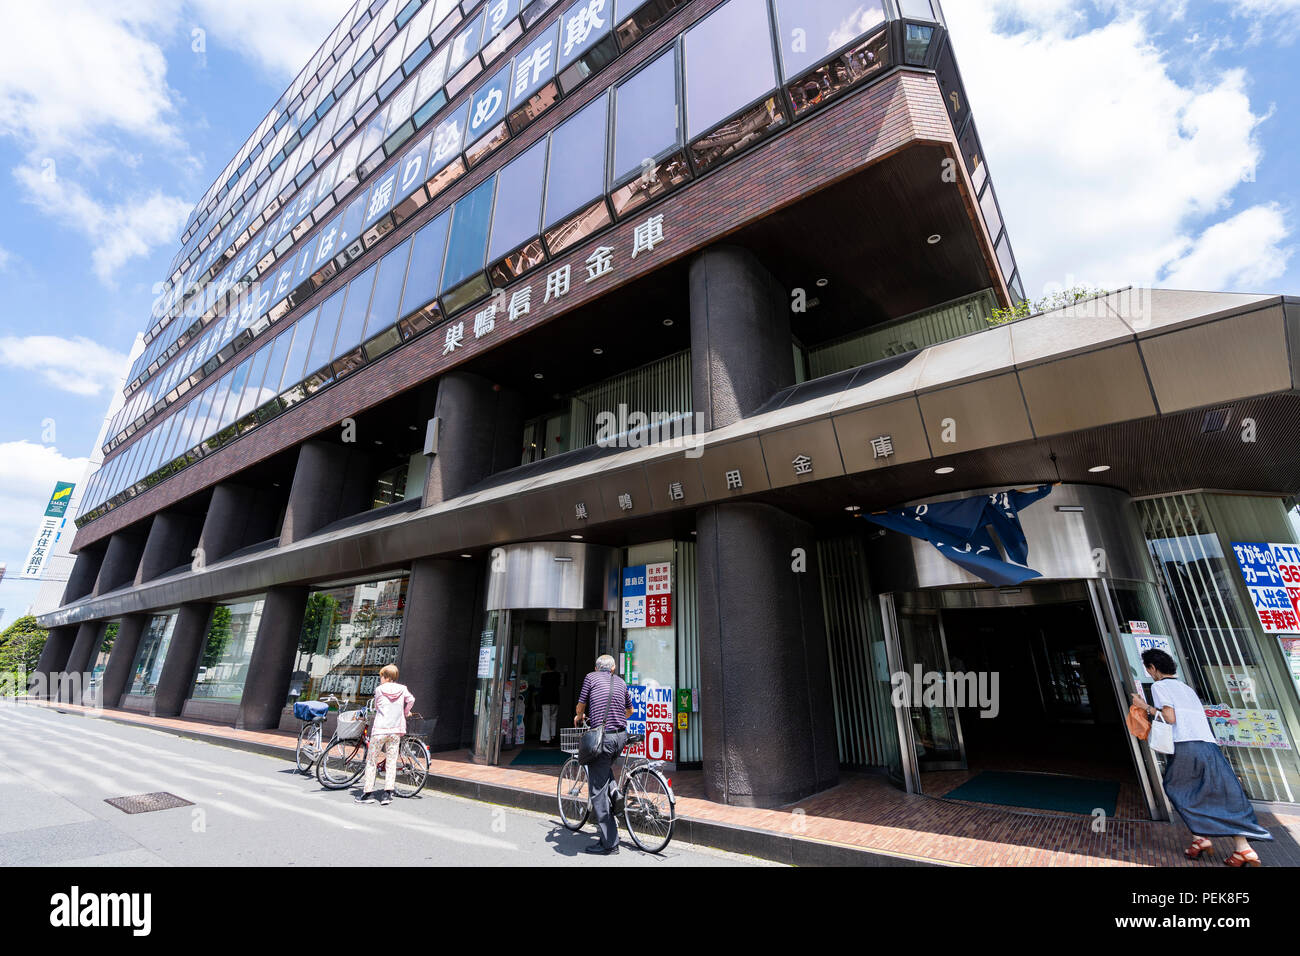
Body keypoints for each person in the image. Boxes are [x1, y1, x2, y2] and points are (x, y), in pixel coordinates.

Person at [1130, 649, 1272, 866]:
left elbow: (1170, 717)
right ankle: (1242, 848)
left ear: (1153, 668)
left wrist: (1144, 706)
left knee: (1177, 789)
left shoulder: (1160, 686)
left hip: (1186, 746)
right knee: (1222, 793)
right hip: (1209, 745)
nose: (1149, 673)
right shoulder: (1186, 688)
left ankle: (1201, 838)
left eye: (1148, 669)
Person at [574, 654, 633, 855]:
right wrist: (616, 720)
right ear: (613, 668)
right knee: (603, 766)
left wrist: (579, 715)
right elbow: (630, 710)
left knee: (597, 791)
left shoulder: (590, 677)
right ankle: (615, 791)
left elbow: (581, 705)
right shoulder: (621, 682)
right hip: (621, 737)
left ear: (597, 668)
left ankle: (610, 843)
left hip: (604, 738)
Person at [355, 663, 414, 806]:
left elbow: (376, 706)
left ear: (386, 677)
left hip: (380, 730)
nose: (380, 678)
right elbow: (411, 700)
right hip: (395, 731)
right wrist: (405, 712)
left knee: (372, 760)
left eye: (381, 676)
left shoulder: (380, 690)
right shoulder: (402, 689)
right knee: (392, 761)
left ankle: (368, 793)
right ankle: (387, 794)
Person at [539, 657, 561, 744]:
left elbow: (541, 686)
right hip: (555, 699)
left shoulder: (543, 675)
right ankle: (553, 735)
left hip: (545, 699)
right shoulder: (557, 675)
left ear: (547, 665)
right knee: (553, 718)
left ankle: (547, 739)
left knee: (546, 718)